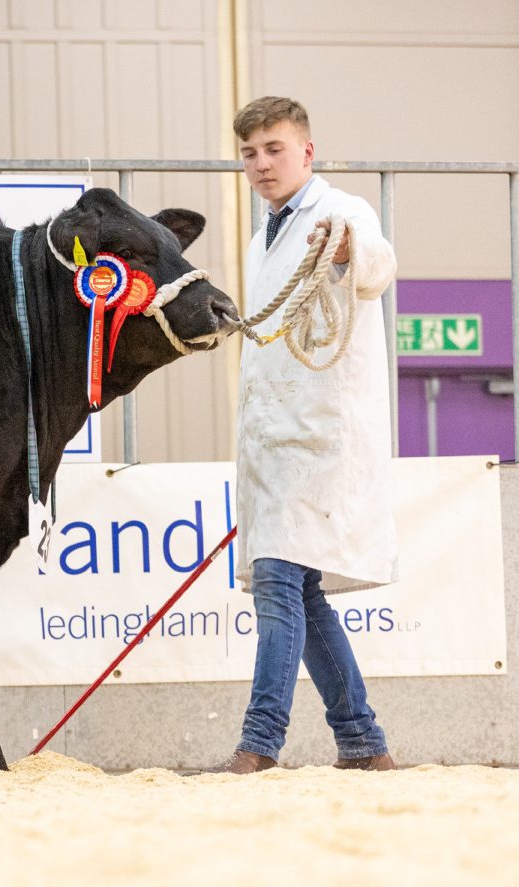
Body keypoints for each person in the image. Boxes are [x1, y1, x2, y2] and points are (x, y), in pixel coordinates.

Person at [223, 96, 398, 774]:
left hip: (320, 435)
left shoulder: (342, 212)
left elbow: (377, 266)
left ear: (306, 151)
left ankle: (259, 743)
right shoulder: (262, 232)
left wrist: (354, 251)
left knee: (276, 578)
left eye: (274, 148)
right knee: (299, 588)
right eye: (249, 153)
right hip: (273, 438)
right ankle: (362, 740)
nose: (261, 163)